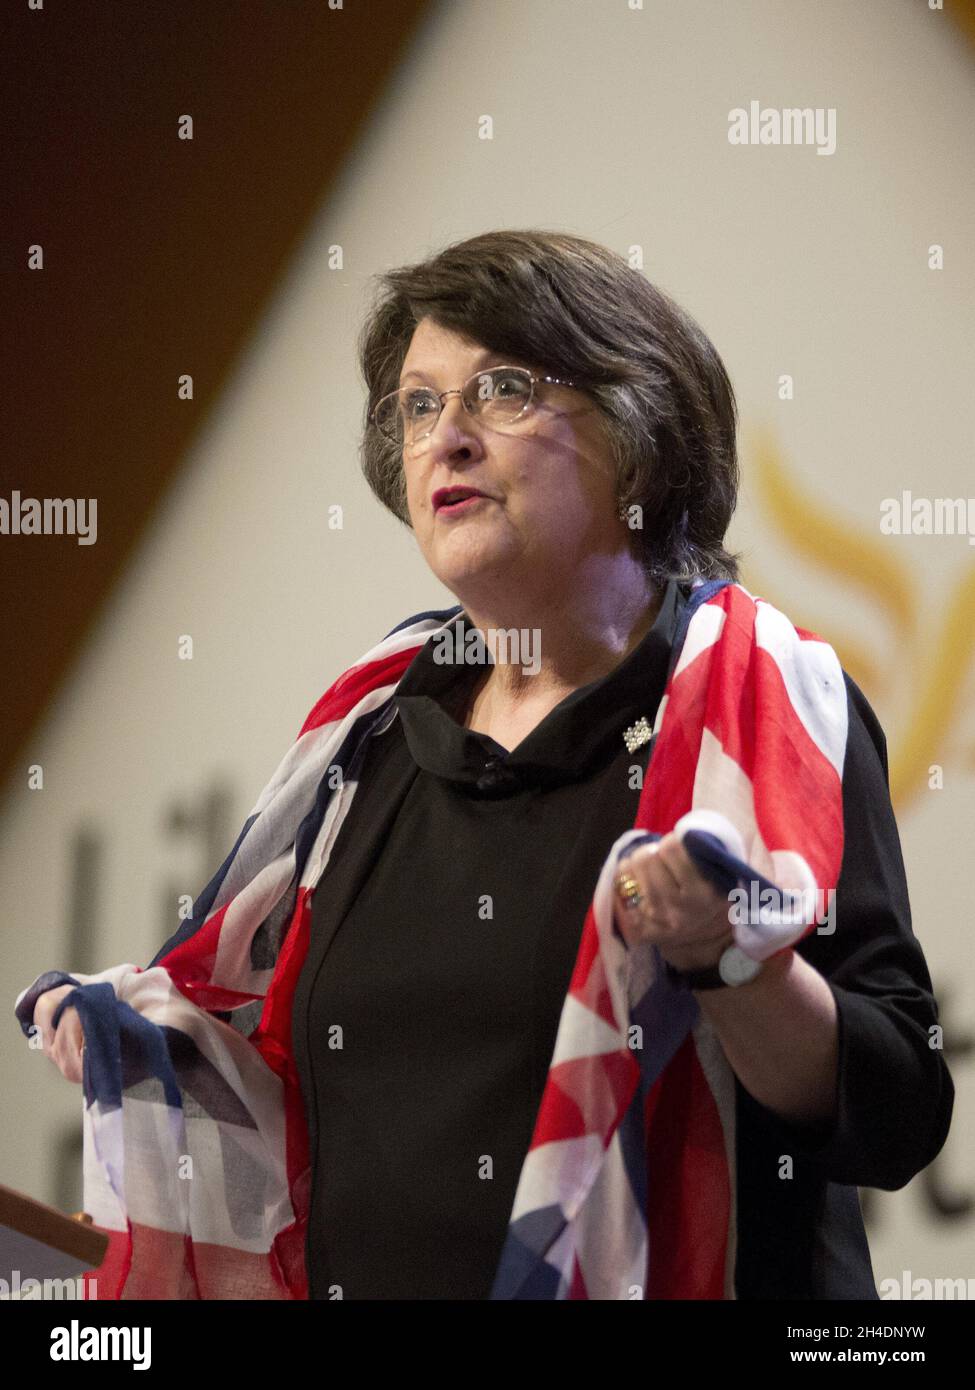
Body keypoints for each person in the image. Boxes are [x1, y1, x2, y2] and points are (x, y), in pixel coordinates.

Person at [19, 230, 953, 1301]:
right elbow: (307, 1109)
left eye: (502, 390)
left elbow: (898, 1107)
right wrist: (148, 1046)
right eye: (419, 405)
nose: (445, 438)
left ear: (639, 438)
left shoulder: (769, 702)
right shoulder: (371, 735)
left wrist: (730, 956)